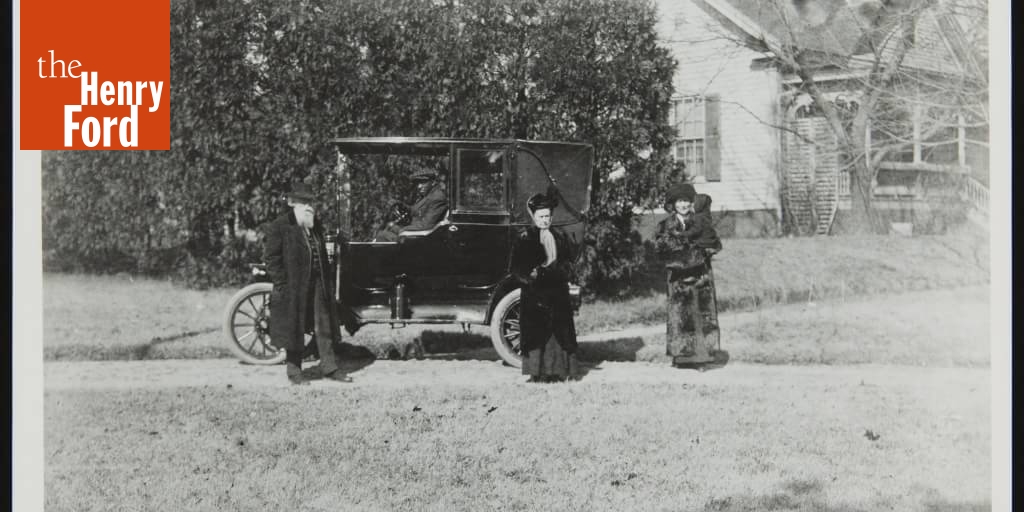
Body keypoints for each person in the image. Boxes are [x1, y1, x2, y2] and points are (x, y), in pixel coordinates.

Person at [264, 181, 354, 385]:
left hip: (318, 285)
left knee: (324, 327)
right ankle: (294, 373)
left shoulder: (315, 225)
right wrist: (283, 285)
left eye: (311, 202)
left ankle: (330, 368)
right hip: (293, 288)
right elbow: (271, 259)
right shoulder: (279, 226)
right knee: (293, 329)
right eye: (303, 202)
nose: (309, 206)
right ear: (291, 203)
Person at [510, 192, 581, 382]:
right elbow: (516, 268)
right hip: (535, 295)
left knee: (558, 333)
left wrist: (567, 273)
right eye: (541, 217)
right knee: (536, 334)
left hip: (557, 293)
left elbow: (568, 261)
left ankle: (557, 373)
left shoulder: (560, 236)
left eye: (548, 216)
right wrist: (530, 277)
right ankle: (537, 374)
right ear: (534, 217)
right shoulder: (524, 238)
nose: (545, 220)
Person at [655, 183, 722, 368]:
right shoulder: (665, 226)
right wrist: (689, 254)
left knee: (701, 314)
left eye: (686, 201)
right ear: (672, 204)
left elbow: (715, 243)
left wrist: (706, 250)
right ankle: (681, 356)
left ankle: (702, 356)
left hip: (701, 276)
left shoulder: (701, 221)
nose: (683, 205)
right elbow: (663, 250)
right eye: (679, 201)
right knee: (680, 315)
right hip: (678, 279)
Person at [373, 168, 448, 241]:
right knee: (388, 227)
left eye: (423, 182)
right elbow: (415, 210)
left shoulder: (437, 198)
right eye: (418, 183)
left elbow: (427, 225)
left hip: (422, 239)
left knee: (382, 235)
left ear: (433, 182)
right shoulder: (427, 196)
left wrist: (402, 230)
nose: (419, 186)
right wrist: (401, 205)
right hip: (415, 234)